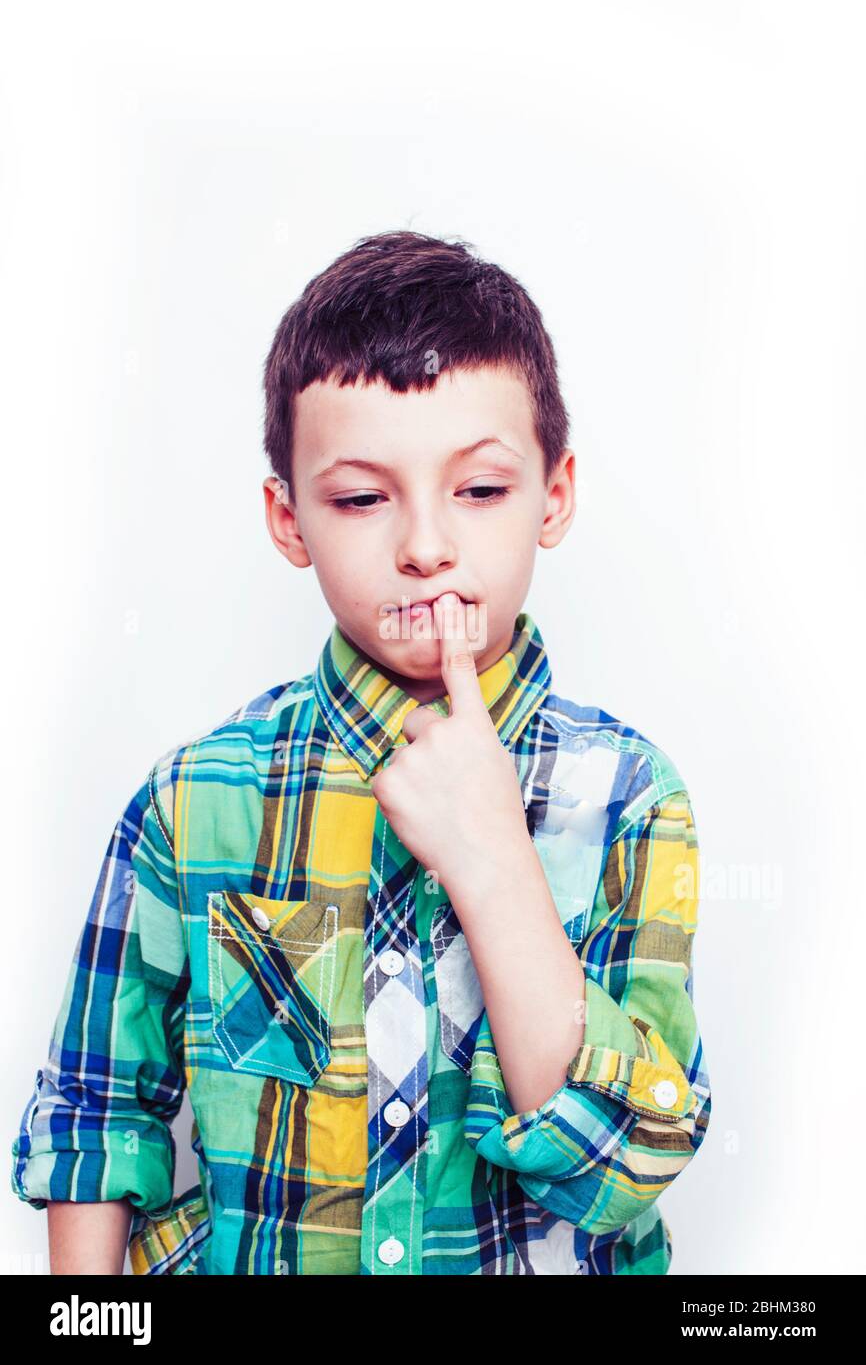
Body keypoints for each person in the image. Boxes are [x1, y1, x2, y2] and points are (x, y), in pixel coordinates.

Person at [11, 229, 711, 1275]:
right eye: (358, 496)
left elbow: (621, 1167)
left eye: (478, 490)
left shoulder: (626, 798)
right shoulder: (196, 798)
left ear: (553, 495)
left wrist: (490, 861)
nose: (425, 545)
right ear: (288, 518)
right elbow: (97, 1105)